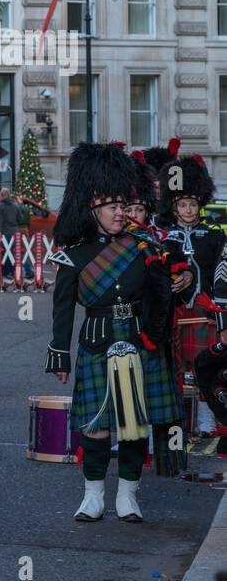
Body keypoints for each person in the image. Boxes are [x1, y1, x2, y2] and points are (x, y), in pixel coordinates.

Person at [46, 142, 178, 522]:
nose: (121, 213)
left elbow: (161, 294)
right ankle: (92, 496)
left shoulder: (145, 247)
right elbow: (63, 308)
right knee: (96, 425)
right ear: (93, 209)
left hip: (139, 340)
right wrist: (60, 354)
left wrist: (177, 280)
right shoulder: (75, 254)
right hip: (97, 340)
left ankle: (129, 495)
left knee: (135, 426)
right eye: (112, 207)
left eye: (124, 206)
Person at [157, 154, 224, 438]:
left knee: (204, 368)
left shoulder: (214, 234)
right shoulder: (163, 236)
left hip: (205, 310)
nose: (187, 209)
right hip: (175, 310)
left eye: (192, 204)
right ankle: (178, 424)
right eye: (182, 204)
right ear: (174, 207)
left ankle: (208, 422)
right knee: (174, 370)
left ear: (200, 205)